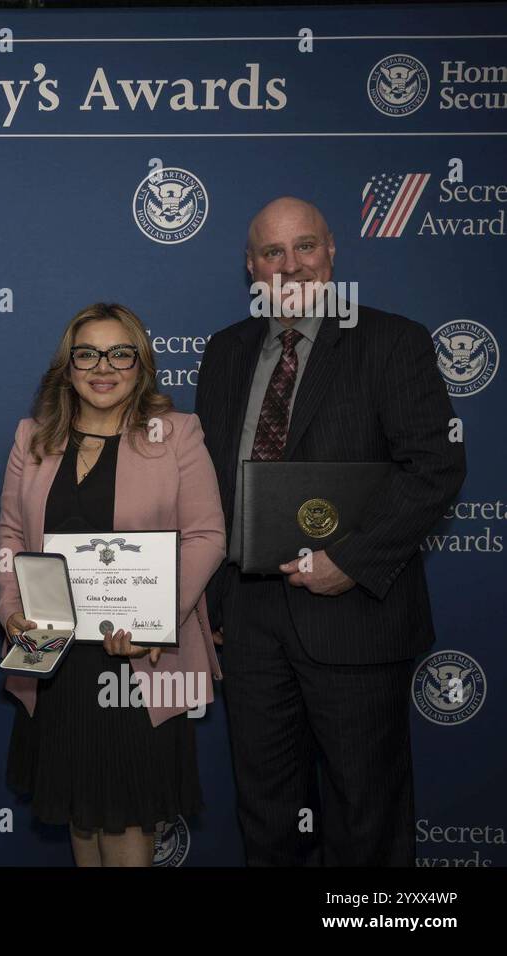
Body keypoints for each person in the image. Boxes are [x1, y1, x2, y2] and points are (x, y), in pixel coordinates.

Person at [194, 196, 466, 866]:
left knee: (364, 818)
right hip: (252, 621)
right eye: (273, 253)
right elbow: (211, 487)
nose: (292, 266)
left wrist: (351, 558)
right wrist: (215, 603)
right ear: (251, 266)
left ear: (332, 252)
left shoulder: (392, 341)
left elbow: (434, 467)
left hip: (354, 613)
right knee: (266, 816)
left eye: (306, 247)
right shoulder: (226, 353)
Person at [0, 303, 226, 866]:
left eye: (120, 352)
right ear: (68, 366)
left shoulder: (176, 433)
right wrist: (10, 612)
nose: (104, 366)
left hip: (139, 665)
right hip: (55, 660)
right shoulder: (33, 438)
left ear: (140, 364)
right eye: (88, 353)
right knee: (81, 816)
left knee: (126, 820)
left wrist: (157, 620)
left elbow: (207, 535)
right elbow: (9, 538)